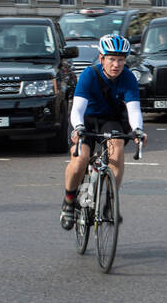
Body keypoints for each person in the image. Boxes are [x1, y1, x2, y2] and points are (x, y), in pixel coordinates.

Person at [61, 34, 146, 229]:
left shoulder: (128, 78)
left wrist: (138, 130)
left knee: (116, 147)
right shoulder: (89, 75)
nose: (116, 65)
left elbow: (134, 109)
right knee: (80, 159)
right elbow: (78, 109)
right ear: (102, 59)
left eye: (121, 60)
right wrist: (78, 128)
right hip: (86, 121)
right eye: (112, 59)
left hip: (110, 119)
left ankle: (109, 201)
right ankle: (69, 200)